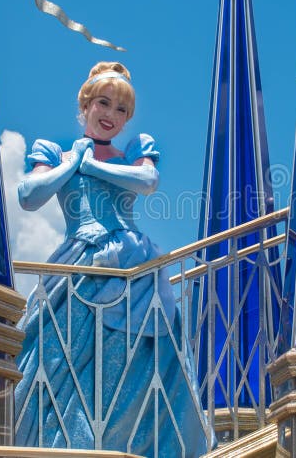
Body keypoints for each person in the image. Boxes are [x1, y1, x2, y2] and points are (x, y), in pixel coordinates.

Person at [14, 62, 210, 456]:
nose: (111, 115)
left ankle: (131, 445)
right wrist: (72, 163)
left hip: (133, 267)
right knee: (63, 362)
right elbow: (29, 196)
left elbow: (149, 182)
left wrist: (90, 164)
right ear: (85, 105)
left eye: (121, 110)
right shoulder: (54, 153)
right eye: (103, 103)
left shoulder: (134, 153)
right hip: (79, 263)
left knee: (133, 364)